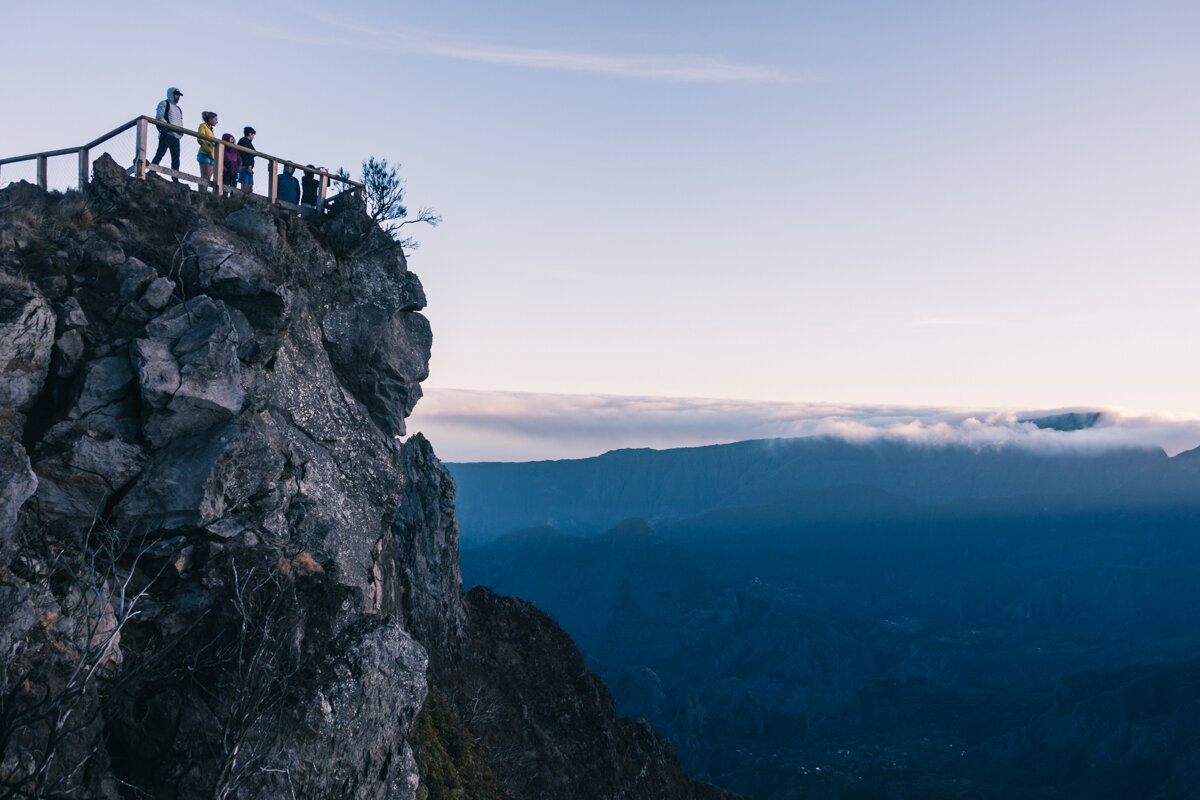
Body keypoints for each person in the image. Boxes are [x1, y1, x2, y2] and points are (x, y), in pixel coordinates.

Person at [150, 87, 184, 172]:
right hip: (166, 133)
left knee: (176, 158)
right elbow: (159, 117)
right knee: (160, 153)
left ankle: (175, 177)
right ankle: (152, 171)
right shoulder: (164, 103)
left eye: (178, 95)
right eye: (176, 95)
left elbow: (180, 121)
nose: (178, 97)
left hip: (176, 136)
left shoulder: (178, 109)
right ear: (171, 94)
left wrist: (180, 132)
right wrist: (168, 127)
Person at [197, 111, 219, 190]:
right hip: (204, 153)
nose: (217, 121)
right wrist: (208, 150)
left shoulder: (211, 130)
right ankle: (201, 191)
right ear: (210, 119)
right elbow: (200, 139)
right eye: (215, 119)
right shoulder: (203, 126)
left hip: (212, 156)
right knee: (204, 175)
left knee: (209, 177)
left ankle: (204, 191)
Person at [236, 127, 257, 193]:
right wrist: (249, 165)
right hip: (245, 166)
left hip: (248, 166)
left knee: (250, 187)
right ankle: (243, 198)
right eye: (253, 135)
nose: (253, 137)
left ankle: (247, 198)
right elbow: (245, 155)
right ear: (250, 134)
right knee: (244, 186)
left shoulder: (247, 142)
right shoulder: (244, 141)